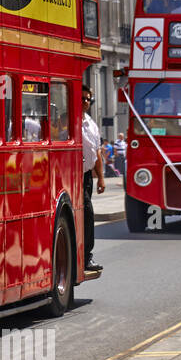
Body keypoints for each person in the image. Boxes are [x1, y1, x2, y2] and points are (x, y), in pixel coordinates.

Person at [82, 86, 104, 271]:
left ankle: (85, 256)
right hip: (71, 176)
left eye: (88, 99)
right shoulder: (66, 120)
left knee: (85, 215)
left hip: (87, 176)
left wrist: (101, 179)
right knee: (87, 213)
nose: (85, 102)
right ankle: (85, 256)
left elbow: (97, 153)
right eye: (82, 99)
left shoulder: (91, 124)